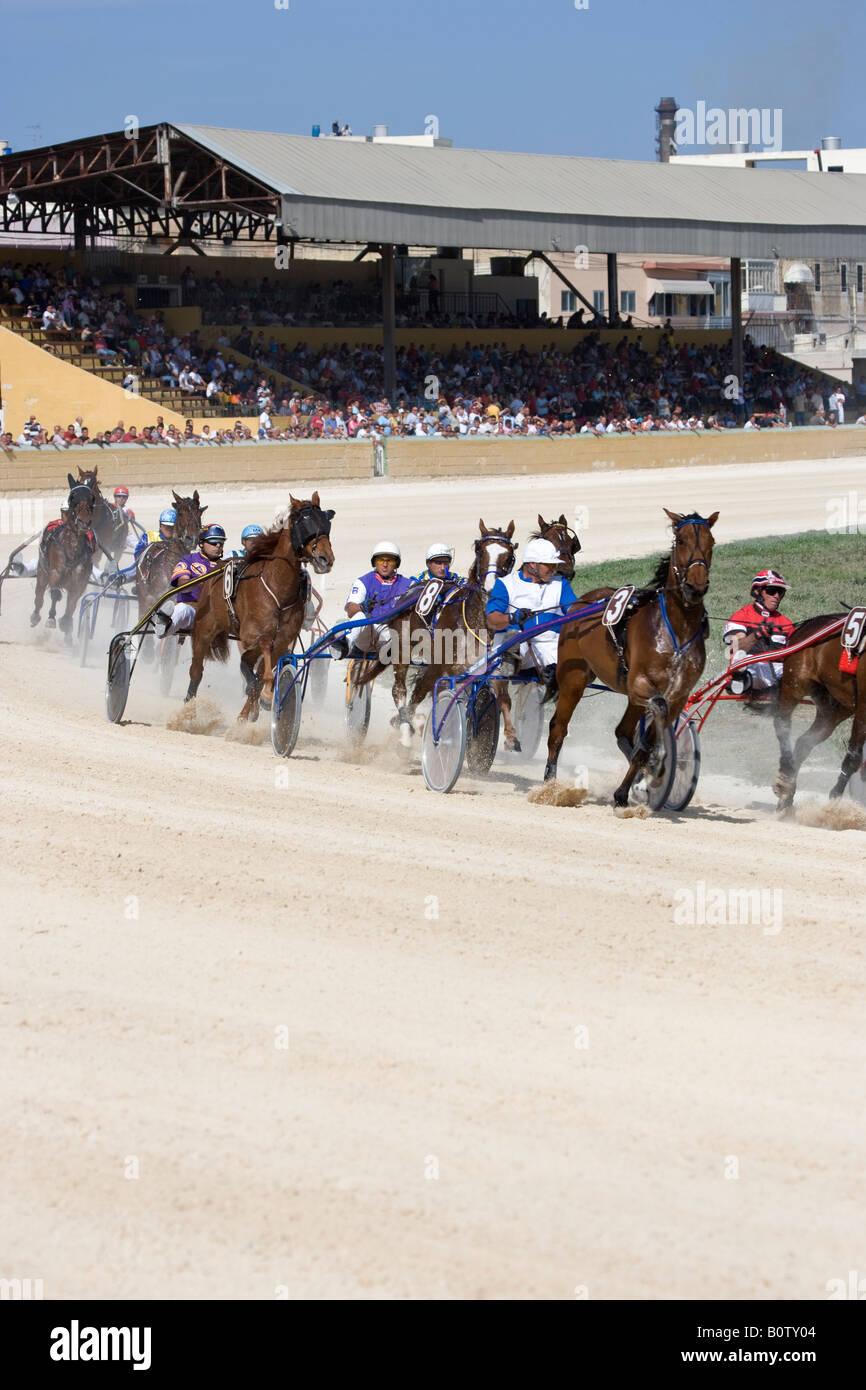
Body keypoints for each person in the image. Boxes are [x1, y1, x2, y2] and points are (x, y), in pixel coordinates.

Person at [486, 538, 579, 691]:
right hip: (517, 640)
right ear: (532, 564)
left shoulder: (560, 583)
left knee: (567, 660)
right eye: (549, 565)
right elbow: (492, 620)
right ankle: (511, 658)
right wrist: (512, 618)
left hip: (550, 644)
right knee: (515, 641)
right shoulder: (505, 584)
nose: (553, 569)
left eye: (555, 565)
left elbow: (575, 611)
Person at [337, 540, 412, 662]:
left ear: (396, 564)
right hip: (367, 635)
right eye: (380, 560)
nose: (385, 564)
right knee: (360, 616)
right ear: (374, 562)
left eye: (390, 560)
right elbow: (351, 611)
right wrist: (363, 607)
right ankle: (345, 646)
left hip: (391, 634)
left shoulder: (408, 585)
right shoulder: (363, 581)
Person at [724, 569, 795, 695]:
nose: (777, 596)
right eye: (771, 591)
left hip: (778, 671)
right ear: (757, 591)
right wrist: (756, 635)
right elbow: (736, 647)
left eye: (781, 592)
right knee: (746, 660)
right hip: (751, 667)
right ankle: (740, 676)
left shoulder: (787, 623)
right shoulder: (742, 616)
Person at [162, 524, 227, 637]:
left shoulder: (225, 565)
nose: (218, 545)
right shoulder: (189, 559)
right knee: (182, 609)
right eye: (213, 542)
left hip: (215, 616)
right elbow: (183, 587)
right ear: (201, 543)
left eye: (221, 542)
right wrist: (202, 580)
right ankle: (163, 627)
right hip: (192, 612)